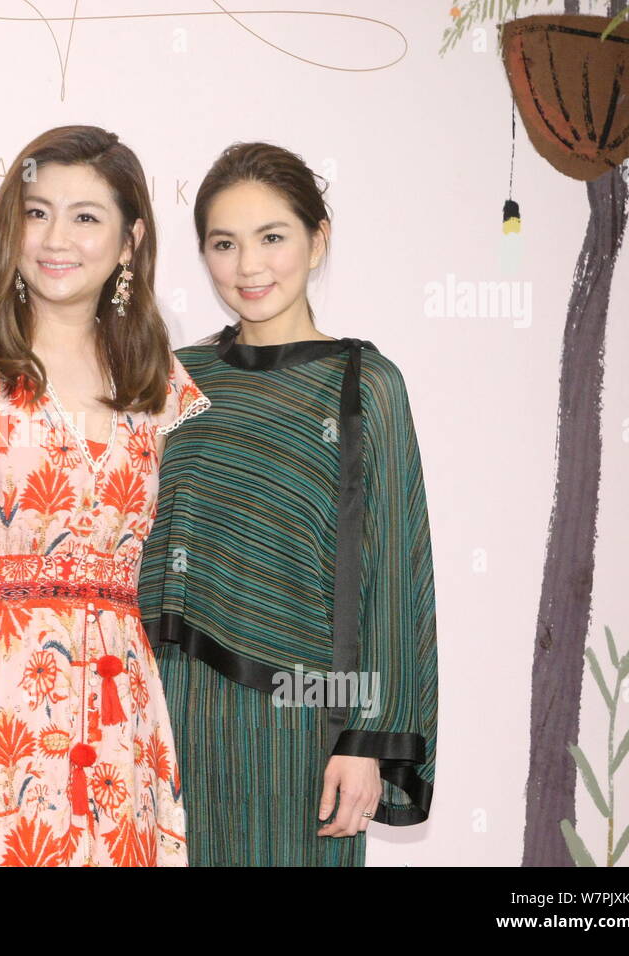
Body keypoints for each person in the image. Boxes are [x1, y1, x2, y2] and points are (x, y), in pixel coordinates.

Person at [139, 141, 438, 866]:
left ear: (317, 239)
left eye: (272, 237)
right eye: (224, 243)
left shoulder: (364, 384)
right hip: (165, 712)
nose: (249, 267)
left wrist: (368, 739)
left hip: (300, 723)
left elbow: (394, 574)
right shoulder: (175, 379)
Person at [0, 125, 207, 866]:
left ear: (130, 242)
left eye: (87, 216)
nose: (57, 238)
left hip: (124, 716)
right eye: (37, 211)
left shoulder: (162, 387)